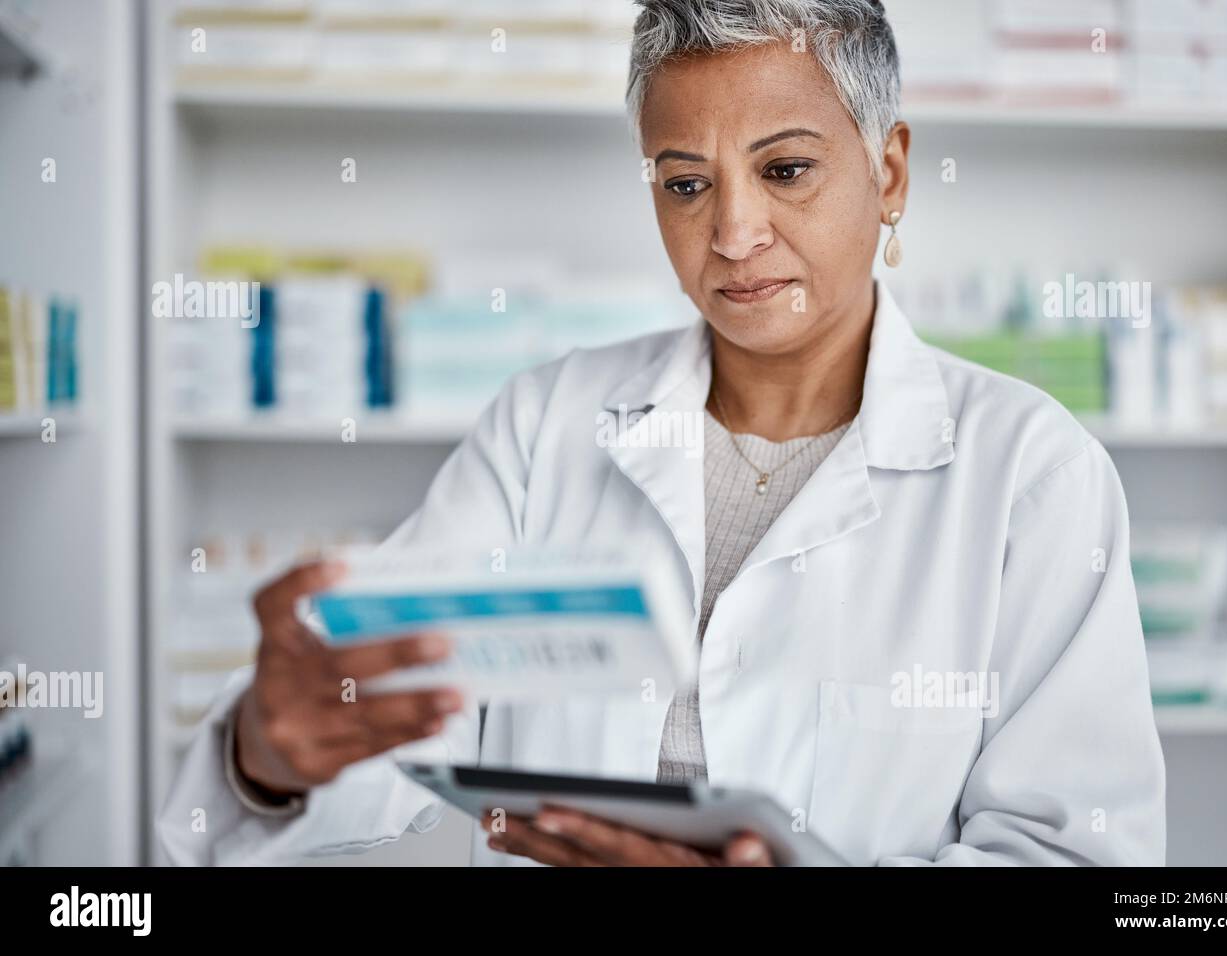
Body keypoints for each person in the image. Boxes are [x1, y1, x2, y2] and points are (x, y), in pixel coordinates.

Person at [158, 0, 1165, 867]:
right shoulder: (543, 427)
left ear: (889, 171)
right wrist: (272, 754)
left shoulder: (1031, 475)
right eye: (686, 182)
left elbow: (1069, 852)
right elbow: (391, 725)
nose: (732, 232)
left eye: (785, 169)